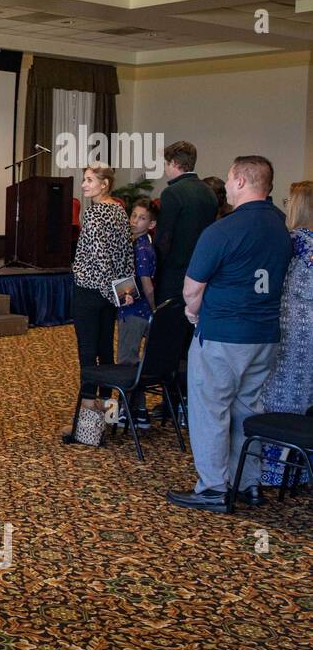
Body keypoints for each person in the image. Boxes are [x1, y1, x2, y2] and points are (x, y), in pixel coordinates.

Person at [168, 157, 292, 512]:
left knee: (210, 412)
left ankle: (212, 489)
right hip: (264, 336)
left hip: (224, 333)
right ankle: (247, 483)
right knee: (246, 410)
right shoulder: (280, 229)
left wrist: (193, 314)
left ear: (239, 181)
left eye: (229, 177)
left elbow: (192, 288)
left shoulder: (222, 230)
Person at [65, 164, 132, 441]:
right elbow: (127, 253)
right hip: (113, 294)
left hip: (92, 292)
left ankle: (87, 429)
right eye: (84, 180)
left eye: (90, 180)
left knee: (87, 358)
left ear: (104, 184)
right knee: (106, 356)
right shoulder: (119, 210)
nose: (84, 185)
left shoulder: (94, 213)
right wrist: (122, 292)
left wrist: (105, 291)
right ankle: (104, 421)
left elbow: (102, 258)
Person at [258, 181, 313, 490]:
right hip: (311, 329)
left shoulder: (292, 242)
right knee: (304, 398)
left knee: (278, 397)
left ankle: (274, 471)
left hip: (290, 327)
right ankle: (301, 468)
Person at [155, 141, 218, 305]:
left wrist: (155, 265)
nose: (165, 169)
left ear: (174, 163)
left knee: (169, 323)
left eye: (166, 164)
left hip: (174, 272)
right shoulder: (208, 191)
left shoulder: (172, 193)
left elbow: (164, 237)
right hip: (201, 269)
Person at [116, 198, 157, 428]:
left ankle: (127, 409)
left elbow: (147, 285)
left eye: (142, 218)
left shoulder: (141, 248)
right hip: (134, 308)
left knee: (127, 361)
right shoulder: (139, 244)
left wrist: (154, 310)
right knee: (133, 361)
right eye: (133, 215)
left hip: (135, 312)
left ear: (151, 224)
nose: (134, 221)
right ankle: (139, 410)